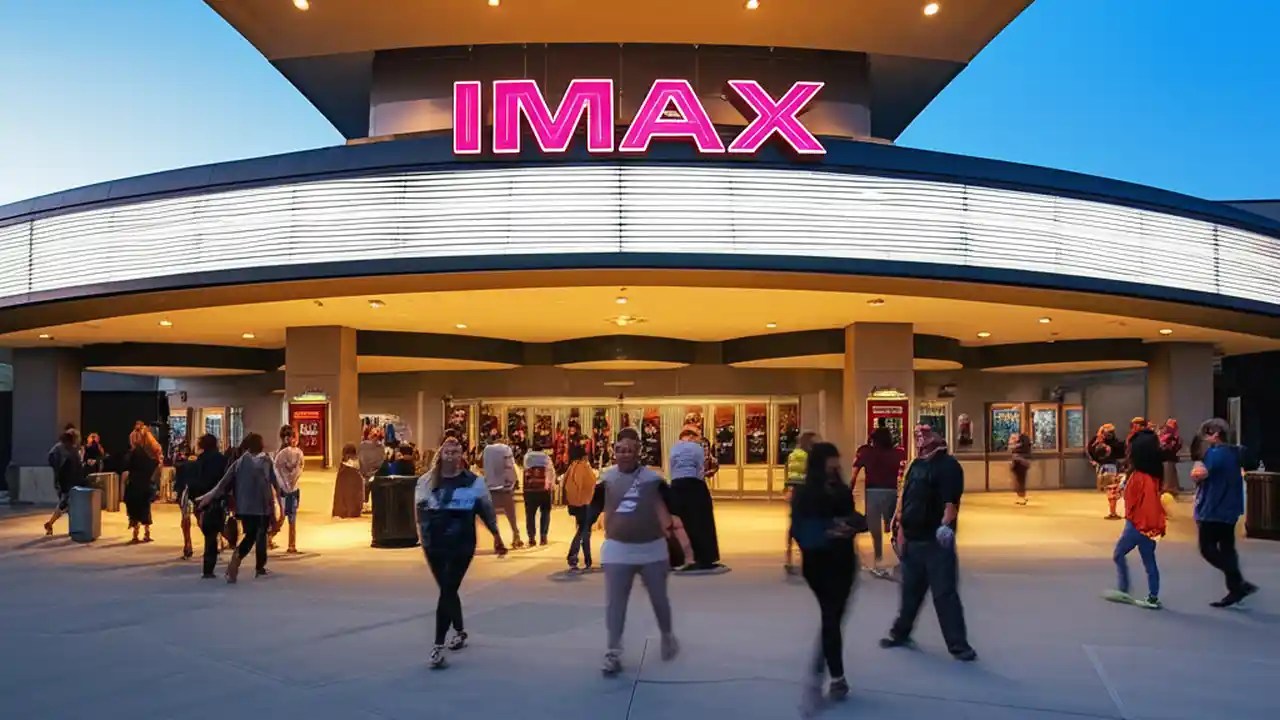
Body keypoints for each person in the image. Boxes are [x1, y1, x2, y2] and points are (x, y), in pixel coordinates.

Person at [881, 423, 976, 662]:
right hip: (912, 540)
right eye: (917, 434)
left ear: (938, 435)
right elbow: (905, 499)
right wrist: (900, 529)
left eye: (925, 433)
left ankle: (958, 645)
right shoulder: (916, 465)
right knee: (910, 593)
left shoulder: (949, 467)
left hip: (936, 544)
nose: (920, 438)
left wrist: (945, 527)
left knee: (944, 594)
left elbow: (950, 505)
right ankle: (900, 633)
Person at [415, 437, 507, 669]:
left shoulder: (474, 482)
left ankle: (437, 646)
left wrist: (496, 535)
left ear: (462, 455)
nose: (451, 454)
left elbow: (486, 510)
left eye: (456, 450)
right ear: (440, 453)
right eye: (448, 450)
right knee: (448, 590)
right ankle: (460, 631)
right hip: (434, 544)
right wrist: (423, 538)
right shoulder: (426, 482)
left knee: (447, 589)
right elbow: (420, 512)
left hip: (462, 544)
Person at [599, 427, 680, 676]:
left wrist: (675, 535)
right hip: (618, 550)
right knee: (616, 604)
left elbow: (668, 508)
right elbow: (592, 508)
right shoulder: (606, 479)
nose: (624, 454)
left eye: (629, 450)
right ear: (614, 451)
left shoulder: (652, 480)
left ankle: (667, 635)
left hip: (651, 549)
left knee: (659, 599)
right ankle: (613, 652)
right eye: (620, 450)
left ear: (638, 452)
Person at [790, 442, 860, 711]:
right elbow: (800, 529)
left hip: (843, 562)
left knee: (833, 618)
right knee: (831, 618)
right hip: (819, 564)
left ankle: (834, 676)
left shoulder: (840, 489)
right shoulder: (806, 493)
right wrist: (830, 530)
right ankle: (827, 676)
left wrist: (853, 524)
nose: (836, 465)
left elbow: (851, 515)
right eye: (832, 460)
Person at [197, 433, 287, 583]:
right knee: (261, 535)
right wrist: (280, 507)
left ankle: (238, 557)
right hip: (263, 506)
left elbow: (222, 484)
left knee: (250, 535)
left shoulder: (239, 462)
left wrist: (208, 497)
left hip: (245, 507)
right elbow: (276, 485)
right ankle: (257, 566)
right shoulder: (266, 461)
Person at [1191, 418, 1258, 608]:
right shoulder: (1234, 452)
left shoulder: (1216, 454)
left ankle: (1238, 582)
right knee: (1227, 547)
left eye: (1207, 433)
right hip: (1230, 507)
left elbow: (1200, 474)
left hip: (1213, 507)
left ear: (1215, 434)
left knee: (1207, 549)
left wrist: (1197, 470)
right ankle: (1235, 589)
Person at [1103, 428, 1166, 609]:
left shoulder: (1141, 477)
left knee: (1119, 554)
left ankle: (1124, 588)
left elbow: (1148, 504)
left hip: (1137, 524)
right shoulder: (1149, 475)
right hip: (1144, 525)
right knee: (1149, 560)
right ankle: (1153, 596)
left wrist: (1144, 526)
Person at [851, 426, 905, 578]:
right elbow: (902, 474)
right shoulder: (898, 453)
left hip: (872, 491)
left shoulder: (865, 452)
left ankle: (878, 556)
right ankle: (901, 555)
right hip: (891, 492)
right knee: (895, 526)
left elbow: (854, 473)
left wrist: (850, 489)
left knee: (874, 526)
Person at [667, 429, 724, 572]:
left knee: (680, 522)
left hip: (677, 486)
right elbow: (700, 469)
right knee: (701, 522)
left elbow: (672, 468)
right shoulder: (696, 448)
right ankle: (704, 557)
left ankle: (679, 558)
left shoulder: (674, 449)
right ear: (691, 437)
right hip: (695, 486)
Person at [186, 434, 229, 578]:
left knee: (209, 534)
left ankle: (208, 568)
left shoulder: (199, 461)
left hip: (204, 500)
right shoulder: (222, 460)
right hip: (218, 498)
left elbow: (195, 481)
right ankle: (211, 564)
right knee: (215, 531)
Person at [785, 430, 820, 575]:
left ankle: (789, 556)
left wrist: (787, 488)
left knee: (794, 523)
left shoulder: (793, 455)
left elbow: (788, 471)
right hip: (806, 491)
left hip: (795, 490)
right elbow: (812, 474)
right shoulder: (808, 456)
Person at [123, 426, 163, 544]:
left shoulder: (133, 453)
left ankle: (135, 533)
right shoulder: (150, 453)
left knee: (134, 509)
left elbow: (126, 465)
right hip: (146, 484)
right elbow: (156, 464)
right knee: (145, 508)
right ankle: (147, 532)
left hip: (134, 484)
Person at [481, 442, 525, 550]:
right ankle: (516, 535)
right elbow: (510, 467)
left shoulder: (487, 450)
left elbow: (483, 466)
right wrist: (513, 481)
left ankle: (497, 539)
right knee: (511, 514)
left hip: (490, 487)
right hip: (504, 488)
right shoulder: (505, 449)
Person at [563, 443, 598, 572]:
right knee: (583, 530)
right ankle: (573, 555)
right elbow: (589, 481)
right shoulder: (583, 466)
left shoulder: (572, 466)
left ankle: (587, 559)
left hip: (574, 502)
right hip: (583, 501)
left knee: (584, 529)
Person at [43, 429, 83, 536]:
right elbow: (75, 466)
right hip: (67, 482)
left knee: (66, 504)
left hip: (64, 481)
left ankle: (53, 524)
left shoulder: (61, 448)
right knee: (65, 504)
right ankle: (53, 524)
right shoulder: (67, 449)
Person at [273, 425, 305, 555]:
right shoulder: (296, 453)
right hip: (292, 488)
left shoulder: (279, 453)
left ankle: (270, 537)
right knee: (290, 516)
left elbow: (276, 472)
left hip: (282, 488)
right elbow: (300, 468)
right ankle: (291, 544)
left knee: (281, 516)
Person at [1088, 424, 1126, 519]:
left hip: (1105, 467)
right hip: (1111, 467)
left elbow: (1091, 450)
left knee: (1111, 491)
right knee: (1112, 490)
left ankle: (1112, 512)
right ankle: (1113, 512)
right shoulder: (1109, 443)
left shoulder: (1100, 442)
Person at [523, 450, 554, 546]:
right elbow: (551, 473)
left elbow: (525, 472)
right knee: (545, 512)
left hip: (530, 490)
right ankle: (543, 537)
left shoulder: (527, 457)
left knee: (530, 514)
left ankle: (531, 538)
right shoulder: (547, 458)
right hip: (544, 491)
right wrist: (551, 487)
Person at [332, 443, 365, 519]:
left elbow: (339, 493)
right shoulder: (357, 467)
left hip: (341, 511)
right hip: (354, 511)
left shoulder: (342, 469)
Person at [1158, 418, 1183, 496]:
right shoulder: (1168, 436)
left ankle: (1169, 489)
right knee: (1170, 474)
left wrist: (1163, 445)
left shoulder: (1172, 436)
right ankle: (1171, 489)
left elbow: (1172, 447)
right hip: (1166, 457)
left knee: (1169, 474)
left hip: (1168, 457)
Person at [1009, 431, 1032, 506]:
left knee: (1019, 481)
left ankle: (1021, 496)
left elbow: (1012, 449)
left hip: (1019, 463)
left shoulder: (1019, 446)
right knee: (1020, 480)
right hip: (1022, 463)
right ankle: (1021, 496)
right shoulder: (1025, 445)